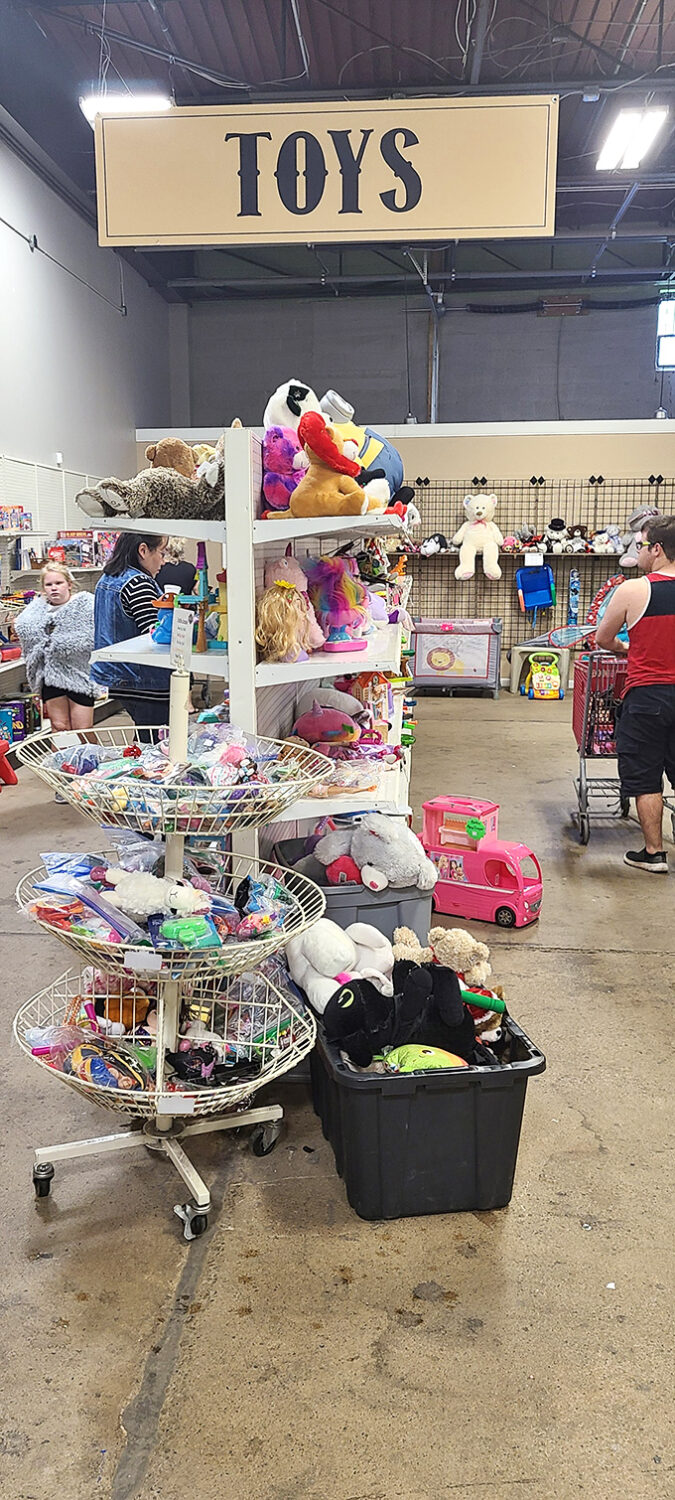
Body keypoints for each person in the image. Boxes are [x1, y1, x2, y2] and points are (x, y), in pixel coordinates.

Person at [595, 514, 675, 873]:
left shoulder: (634, 590)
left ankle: (654, 853)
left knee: (645, 776)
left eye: (642, 545)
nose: (639, 551)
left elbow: (603, 639)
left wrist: (628, 649)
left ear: (657, 550)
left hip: (647, 697)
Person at [91, 532, 171, 739]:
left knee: (147, 736)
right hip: (143, 679)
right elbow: (155, 634)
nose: (163, 561)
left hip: (118, 674)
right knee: (156, 744)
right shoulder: (138, 583)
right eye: (161, 553)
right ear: (143, 550)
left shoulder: (107, 578)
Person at [14, 563, 95, 731]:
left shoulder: (85, 606)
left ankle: (90, 758)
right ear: (43, 588)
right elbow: (26, 630)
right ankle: (59, 758)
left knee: (83, 729)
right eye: (49, 584)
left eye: (59, 583)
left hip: (79, 674)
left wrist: (59, 642)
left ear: (69, 584)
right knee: (59, 727)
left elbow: (89, 636)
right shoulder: (36, 611)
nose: (54, 588)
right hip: (50, 675)